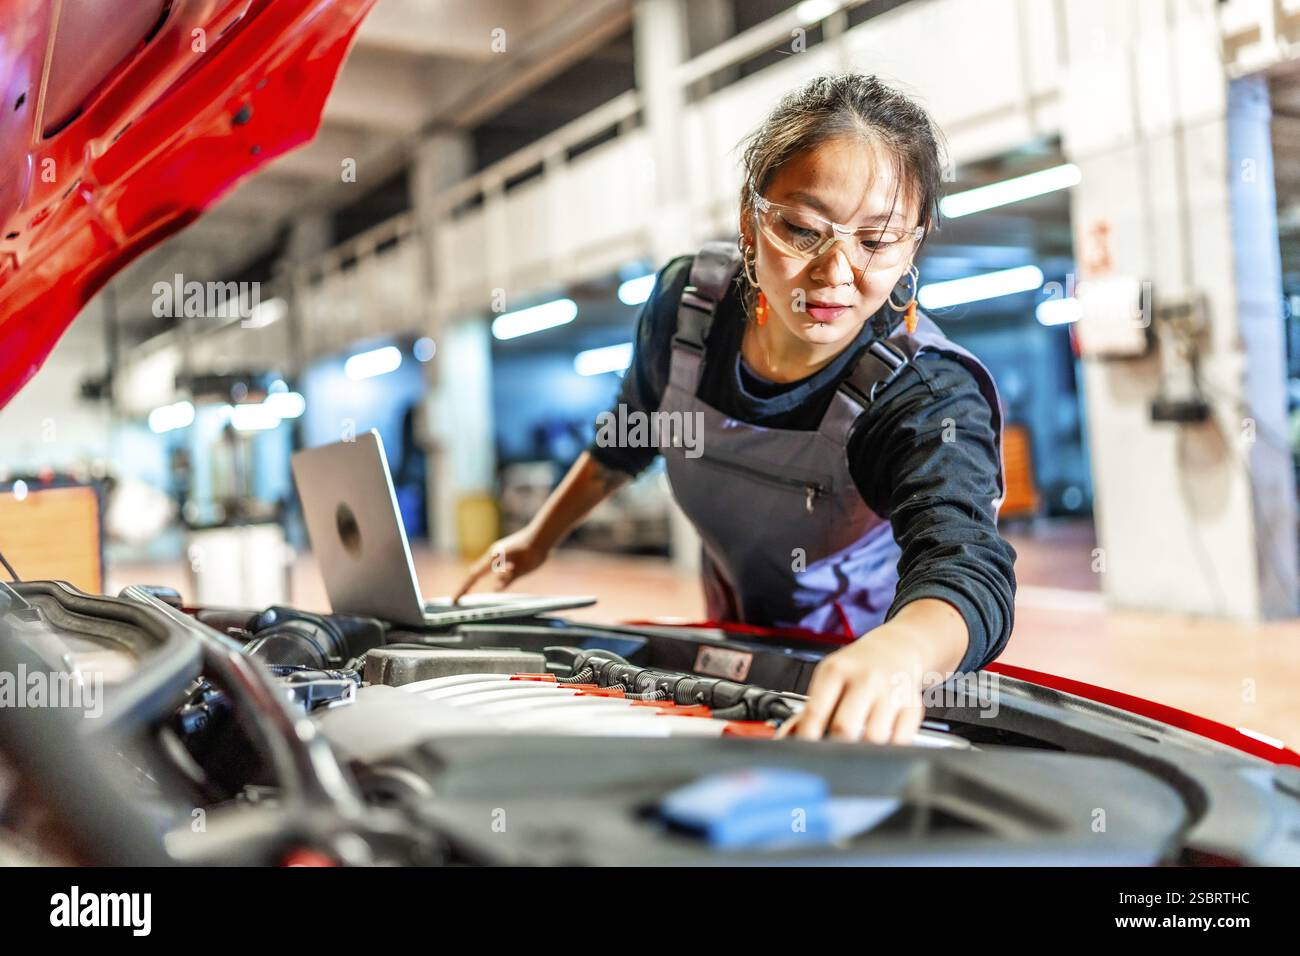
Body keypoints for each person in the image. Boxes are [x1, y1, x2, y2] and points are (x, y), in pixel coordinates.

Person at [455, 73, 1016, 745]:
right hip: (735, 642)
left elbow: (966, 564)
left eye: (876, 241)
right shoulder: (688, 314)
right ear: (751, 222)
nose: (836, 274)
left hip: (869, 684)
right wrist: (535, 541)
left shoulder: (922, 395)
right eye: (804, 230)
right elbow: (631, 435)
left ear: (914, 247)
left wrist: (897, 658)